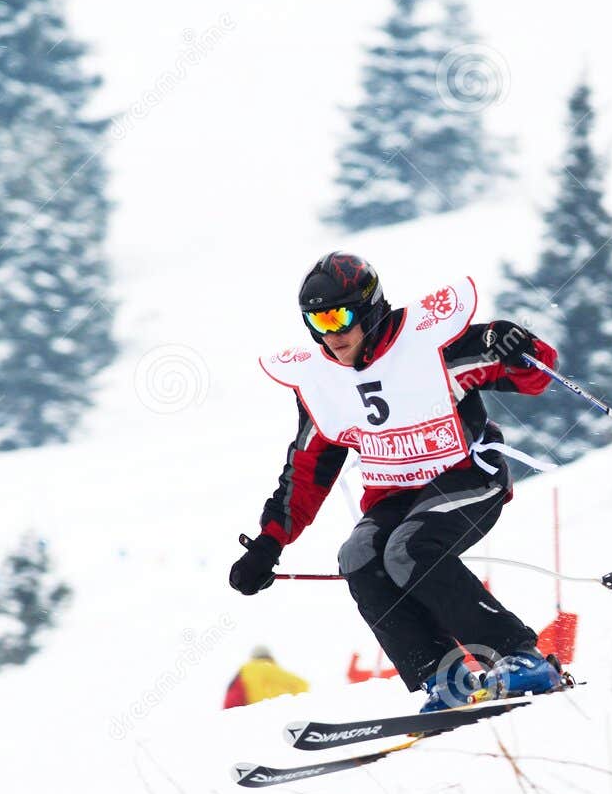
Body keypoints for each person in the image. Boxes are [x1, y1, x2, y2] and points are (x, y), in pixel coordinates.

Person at [229, 253, 567, 710]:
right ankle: (445, 678)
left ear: (369, 307)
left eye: (339, 316)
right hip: (397, 495)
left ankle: (520, 656)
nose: (331, 334)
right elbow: (305, 473)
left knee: (408, 549)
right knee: (359, 555)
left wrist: (515, 342)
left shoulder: (430, 346)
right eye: (317, 322)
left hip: (468, 475)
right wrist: (269, 543)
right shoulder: (324, 383)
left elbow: (533, 375)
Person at [223, 646, 310, 709]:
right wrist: (298, 704)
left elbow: (234, 695)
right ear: (268, 655)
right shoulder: (269, 668)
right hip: (273, 712)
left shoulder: (244, 671)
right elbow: (302, 683)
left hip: (252, 716)